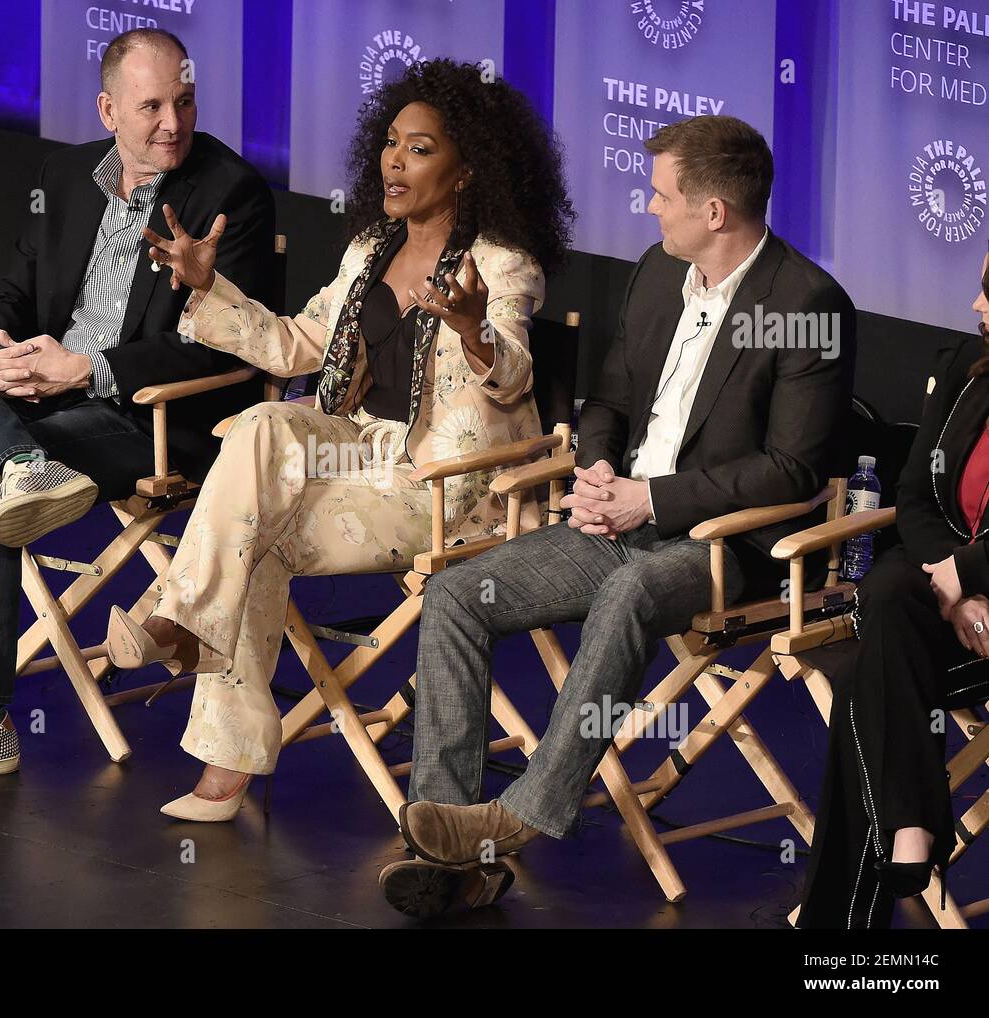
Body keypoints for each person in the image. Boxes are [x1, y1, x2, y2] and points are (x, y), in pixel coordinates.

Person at [381, 115, 857, 917]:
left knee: (631, 593)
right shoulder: (654, 272)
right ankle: (451, 846)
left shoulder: (808, 303)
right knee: (458, 594)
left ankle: (519, 816)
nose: (648, 206)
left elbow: (793, 469)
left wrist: (654, 498)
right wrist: (600, 468)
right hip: (618, 514)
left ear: (714, 212)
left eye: (662, 194)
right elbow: (607, 400)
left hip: (720, 546)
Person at [105, 59, 576, 820]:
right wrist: (204, 288)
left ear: (466, 170)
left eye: (420, 148)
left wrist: (473, 331)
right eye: (391, 143)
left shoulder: (502, 266)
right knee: (261, 427)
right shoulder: (369, 251)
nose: (395, 160)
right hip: (356, 450)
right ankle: (187, 625)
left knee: (256, 535)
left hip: (445, 488)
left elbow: (515, 371)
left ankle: (207, 711)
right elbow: (297, 346)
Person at [0, 28, 274, 785]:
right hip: (42, 391)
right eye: (151, 105)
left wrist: (84, 369)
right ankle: (21, 462)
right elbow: (15, 292)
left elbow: (232, 349)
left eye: (184, 102)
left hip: (146, 421)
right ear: (108, 109)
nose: (173, 123)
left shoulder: (230, 193)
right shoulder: (62, 176)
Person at [797, 247, 989, 928]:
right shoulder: (967, 375)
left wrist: (971, 572)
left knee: (864, 678)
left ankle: (844, 930)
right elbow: (913, 499)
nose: (976, 307)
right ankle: (910, 823)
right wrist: (957, 586)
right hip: (954, 608)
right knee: (887, 597)